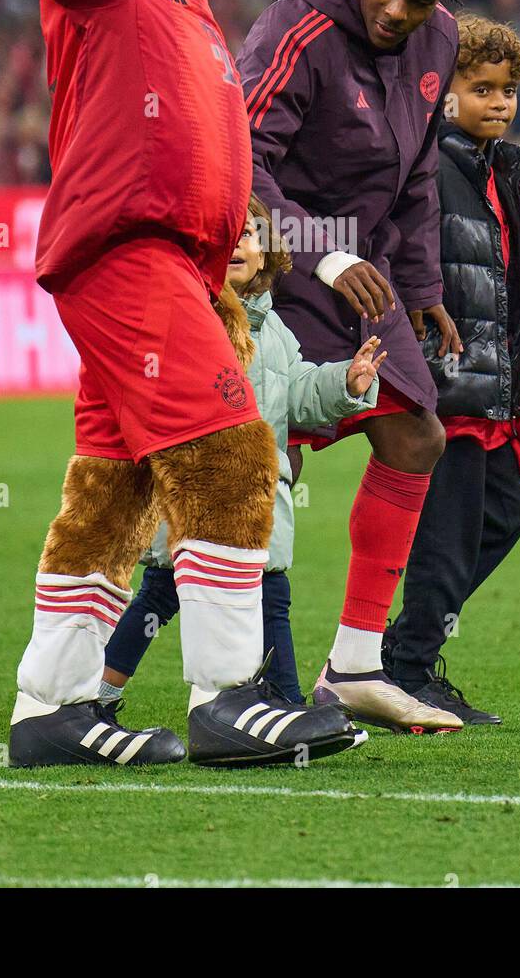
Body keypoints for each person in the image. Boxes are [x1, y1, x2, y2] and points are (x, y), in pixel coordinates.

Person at [237, 0, 467, 732]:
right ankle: (236, 682)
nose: (396, 12)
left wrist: (423, 284)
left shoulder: (439, 41)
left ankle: (356, 665)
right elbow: (239, 157)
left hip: (363, 276)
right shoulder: (297, 30)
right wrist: (320, 253)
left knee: (415, 435)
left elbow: (414, 180)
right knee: (259, 476)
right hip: (270, 272)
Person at [99, 194, 385, 706]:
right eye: (222, 233)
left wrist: (346, 381)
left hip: (256, 490)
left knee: (237, 591)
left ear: (268, 251)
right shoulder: (189, 319)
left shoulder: (272, 329)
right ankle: (103, 691)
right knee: (179, 593)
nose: (236, 243)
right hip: (194, 489)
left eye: (248, 233)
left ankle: (283, 704)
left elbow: (297, 390)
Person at [382, 14, 520, 724]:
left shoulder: (493, 168)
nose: (498, 102)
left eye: (509, 90)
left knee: (502, 511)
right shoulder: (426, 164)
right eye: (480, 87)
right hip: (443, 383)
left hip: (483, 381)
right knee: (447, 533)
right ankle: (407, 668)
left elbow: (503, 281)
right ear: (442, 90)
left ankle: (401, 653)